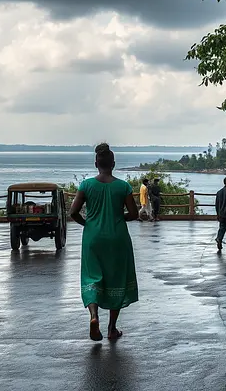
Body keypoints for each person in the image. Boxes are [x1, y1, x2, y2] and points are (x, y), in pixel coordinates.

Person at [69, 143, 139, 342]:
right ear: (114, 164)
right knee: (116, 278)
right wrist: (118, 217)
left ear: (95, 164)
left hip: (93, 237)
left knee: (92, 277)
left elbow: (73, 212)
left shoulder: (86, 185)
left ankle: (93, 316)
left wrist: (88, 224)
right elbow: (133, 214)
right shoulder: (123, 186)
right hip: (117, 237)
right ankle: (111, 328)